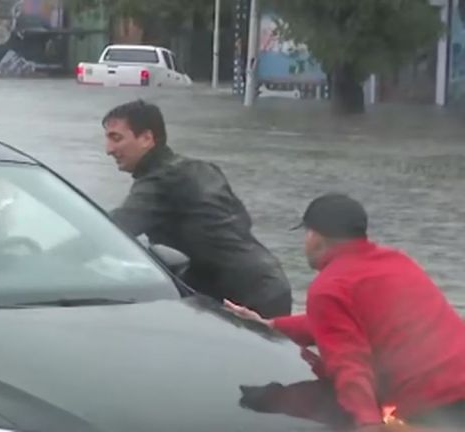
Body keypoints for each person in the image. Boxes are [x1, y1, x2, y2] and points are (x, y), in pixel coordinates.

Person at [224, 193, 465, 428]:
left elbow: (349, 363)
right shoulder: (397, 262)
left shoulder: (330, 287)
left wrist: (368, 423)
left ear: (315, 237)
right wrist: (273, 326)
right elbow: (348, 322)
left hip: (437, 404)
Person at [103, 99, 292, 318]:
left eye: (116, 138)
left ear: (147, 138)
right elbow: (241, 222)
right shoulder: (200, 168)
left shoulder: (161, 179)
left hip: (241, 299)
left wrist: (63, 252)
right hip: (271, 283)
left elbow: (113, 232)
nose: (109, 149)